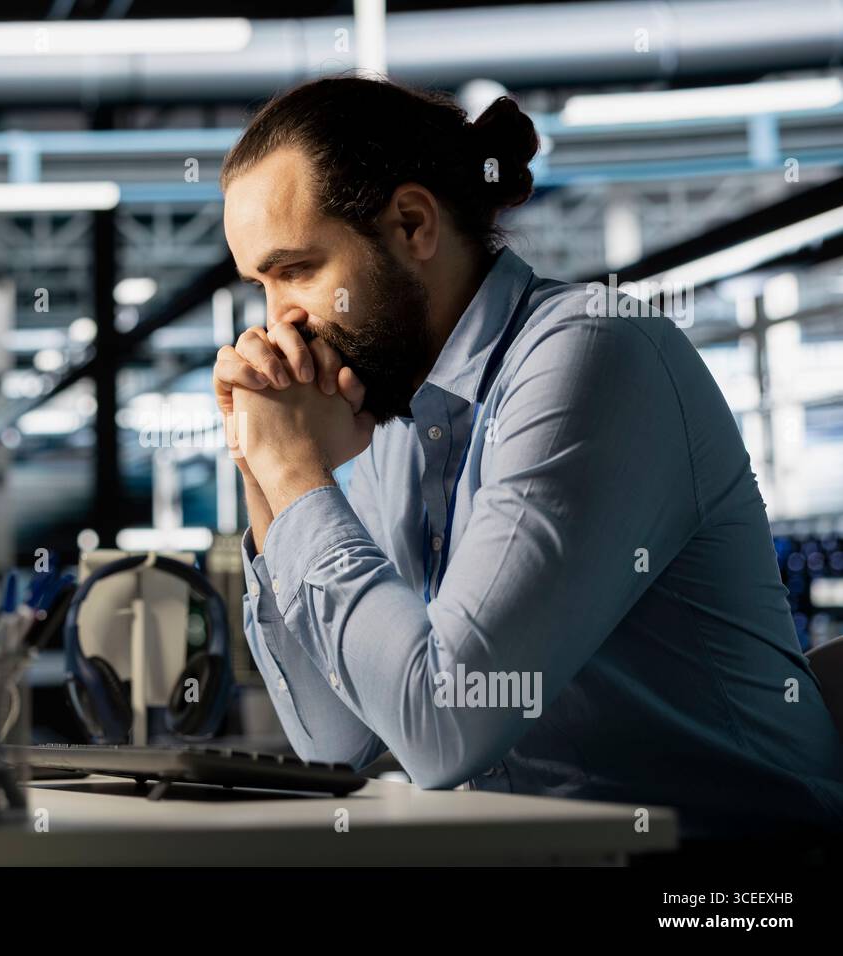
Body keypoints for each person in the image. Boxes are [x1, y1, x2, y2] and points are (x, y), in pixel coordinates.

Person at [213, 75, 843, 839]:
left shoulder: (591, 355)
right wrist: (262, 477)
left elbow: (445, 726)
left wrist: (297, 476)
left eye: (297, 272)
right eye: (259, 284)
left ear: (412, 225)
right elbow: (338, 746)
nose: (276, 324)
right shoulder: (392, 420)